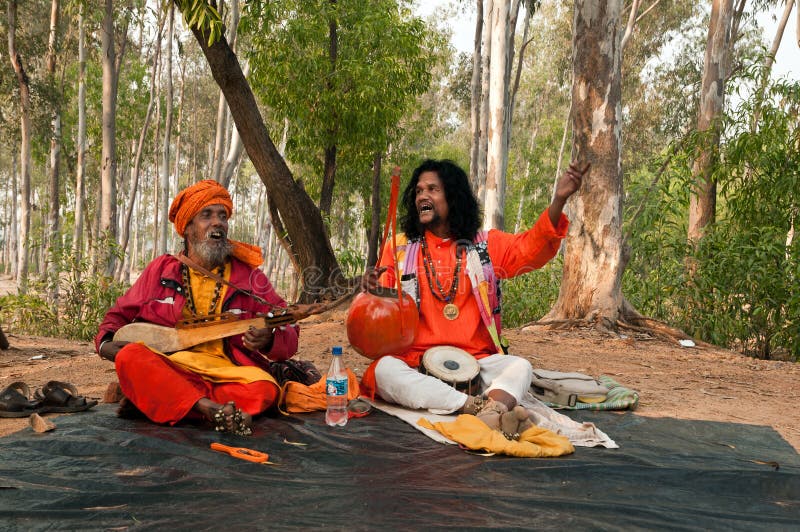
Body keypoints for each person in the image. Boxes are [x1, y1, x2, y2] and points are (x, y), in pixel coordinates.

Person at [360, 159, 587, 438]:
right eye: (418, 191)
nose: (422, 196)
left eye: (432, 189)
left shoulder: (485, 245)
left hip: (477, 363)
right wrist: (372, 292)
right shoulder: (399, 249)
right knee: (384, 371)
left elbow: (532, 247)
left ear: (453, 197)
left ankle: (488, 408)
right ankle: (480, 408)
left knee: (519, 366)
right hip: (415, 362)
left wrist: (559, 200)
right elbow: (380, 318)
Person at [95, 180, 299, 436]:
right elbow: (118, 316)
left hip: (226, 372)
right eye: (207, 215)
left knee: (264, 390)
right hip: (173, 369)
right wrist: (105, 344)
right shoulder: (161, 270)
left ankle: (171, 402)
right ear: (187, 228)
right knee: (131, 357)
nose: (218, 223)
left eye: (222, 216)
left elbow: (289, 328)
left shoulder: (248, 277)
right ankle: (209, 409)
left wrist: (269, 339)